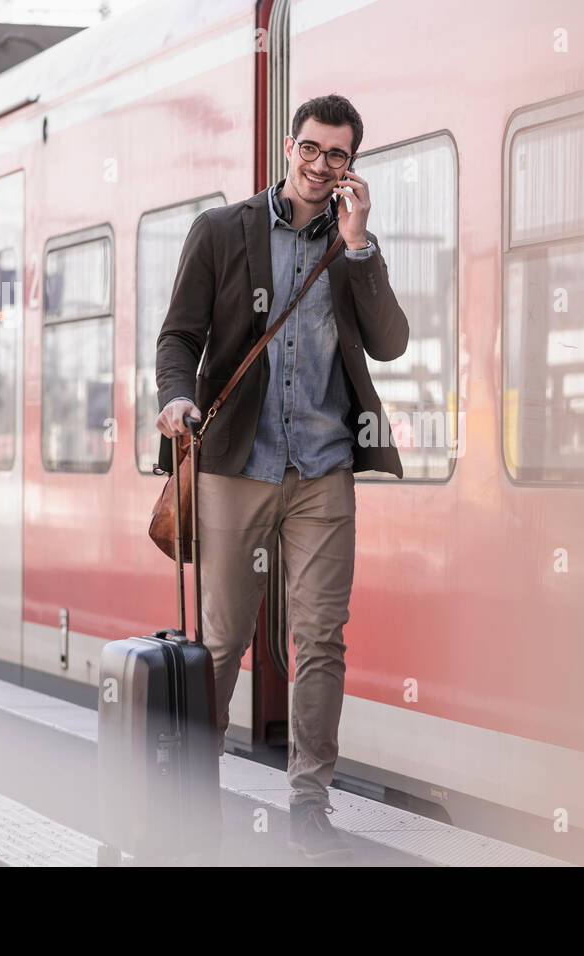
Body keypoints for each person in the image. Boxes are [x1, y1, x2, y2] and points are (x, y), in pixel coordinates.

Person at [154, 93, 409, 860]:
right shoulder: (222, 231)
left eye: (337, 154)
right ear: (288, 148)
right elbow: (179, 337)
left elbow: (390, 341)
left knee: (321, 639)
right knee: (222, 642)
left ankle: (309, 806)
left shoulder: (351, 244)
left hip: (323, 470)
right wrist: (176, 397)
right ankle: (192, 795)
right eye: (310, 148)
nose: (320, 165)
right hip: (237, 466)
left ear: (351, 165)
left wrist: (360, 248)